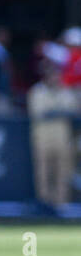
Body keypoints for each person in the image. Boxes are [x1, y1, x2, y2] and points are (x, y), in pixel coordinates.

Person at [27, 61, 76, 208]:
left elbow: (72, 112)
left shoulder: (66, 91)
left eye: (57, 75)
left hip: (62, 139)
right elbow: (40, 114)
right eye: (52, 75)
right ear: (45, 77)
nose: (55, 78)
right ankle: (45, 204)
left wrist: (55, 111)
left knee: (63, 171)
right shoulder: (36, 92)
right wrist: (59, 111)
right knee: (43, 171)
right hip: (42, 139)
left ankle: (61, 204)